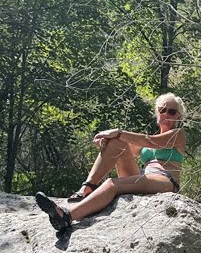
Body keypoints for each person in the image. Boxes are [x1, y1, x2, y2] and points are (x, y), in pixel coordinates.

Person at [34, 93, 187, 231]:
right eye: (162, 110)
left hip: (165, 180)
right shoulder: (146, 140)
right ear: (157, 113)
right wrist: (106, 142)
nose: (166, 114)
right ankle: (87, 187)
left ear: (179, 116)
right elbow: (125, 146)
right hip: (143, 177)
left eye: (172, 111)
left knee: (112, 183)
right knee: (116, 143)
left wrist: (118, 132)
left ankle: (67, 216)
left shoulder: (178, 135)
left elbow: (152, 142)